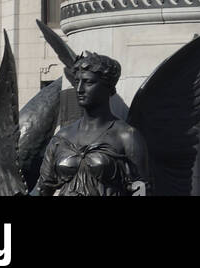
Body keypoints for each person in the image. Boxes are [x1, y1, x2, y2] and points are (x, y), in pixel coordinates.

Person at [36, 52, 148, 198]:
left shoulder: (127, 137)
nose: (79, 89)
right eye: (77, 82)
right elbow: (43, 188)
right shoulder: (62, 137)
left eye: (89, 82)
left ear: (108, 87)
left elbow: (143, 190)